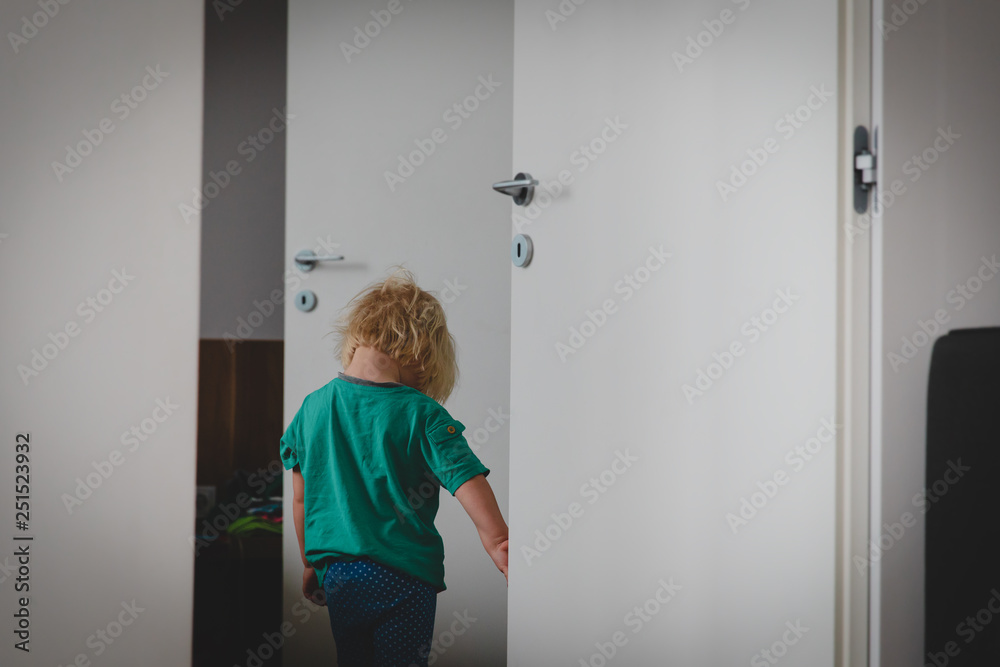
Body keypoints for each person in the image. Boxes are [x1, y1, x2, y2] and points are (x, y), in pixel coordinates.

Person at [279, 266, 508, 667]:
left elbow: (301, 500)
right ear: (421, 354)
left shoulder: (311, 408)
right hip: (403, 576)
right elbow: (465, 479)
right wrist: (497, 540)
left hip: (340, 576)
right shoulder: (423, 412)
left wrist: (311, 564)